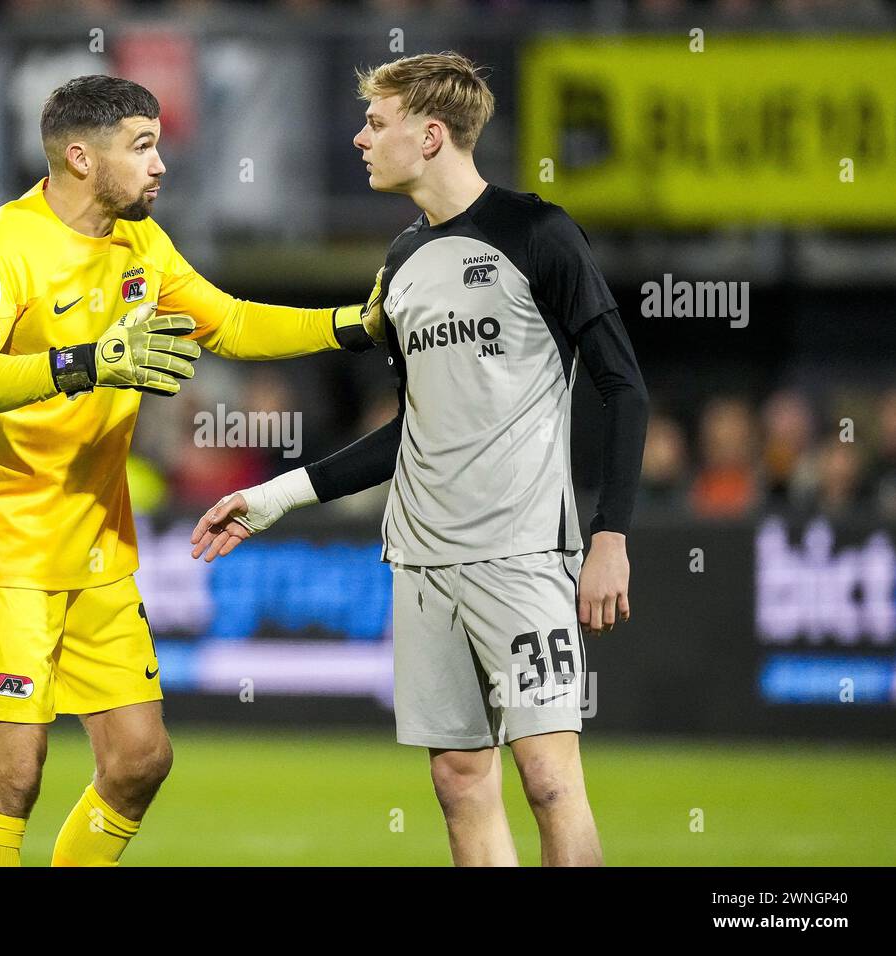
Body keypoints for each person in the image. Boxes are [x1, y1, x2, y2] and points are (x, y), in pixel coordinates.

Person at [191, 53, 649, 866]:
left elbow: (624, 387)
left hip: (523, 554)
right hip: (422, 560)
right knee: (460, 780)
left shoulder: (539, 235)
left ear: (431, 135)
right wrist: (277, 496)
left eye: (378, 122)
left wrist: (610, 534)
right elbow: (414, 429)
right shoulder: (400, 265)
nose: (361, 138)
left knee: (548, 779)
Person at [0, 74, 376, 867]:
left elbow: (228, 322)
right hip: (1, 555)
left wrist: (348, 324)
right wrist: (85, 363)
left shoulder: (141, 242)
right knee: (14, 778)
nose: (160, 163)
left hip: (96, 549)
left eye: (157, 143)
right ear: (78, 157)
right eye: (140, 147)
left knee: (140, 761)